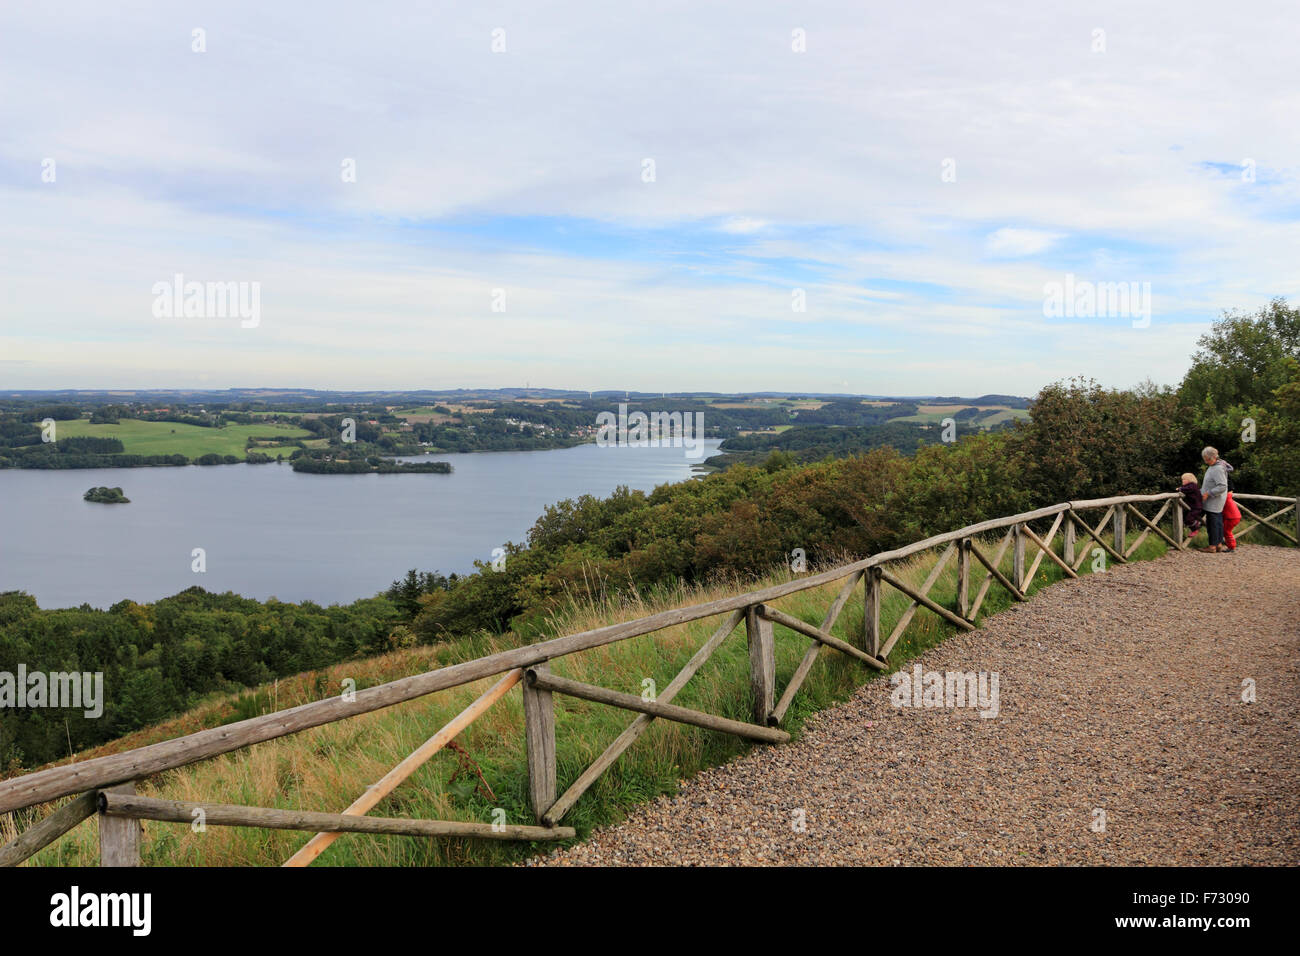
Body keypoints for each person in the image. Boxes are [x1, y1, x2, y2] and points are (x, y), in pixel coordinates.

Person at [1199, 447, 1229, 553]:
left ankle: (1212, 546)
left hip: (1214, 500)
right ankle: (1219, 544)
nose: (1205, 461)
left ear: (1212, 457)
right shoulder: (1215, 466)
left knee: (1213, 524)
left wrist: (1208, 493)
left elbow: (1222, 486)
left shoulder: (1217, 468)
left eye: (1207, 459)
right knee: (1217, 522)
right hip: (1215, 500)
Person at [1220, 459, 1241, 551]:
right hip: (1233, 516)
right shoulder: (1228, 497)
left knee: (1227, 531)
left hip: (1232, 517)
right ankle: (1227, 542)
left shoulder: (1226, 497)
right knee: (1225, 530)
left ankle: (1231, 547)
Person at [1178, 472, 1204, 540]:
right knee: (1186, 519)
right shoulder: (1189, 486)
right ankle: (1196, 526)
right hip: (1192, 507)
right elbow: (1185, 488)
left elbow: (1187, 489)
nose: (1182, 481)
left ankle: (1196, 528)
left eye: (1184, 479)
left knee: (1189, 519)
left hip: (1196, 507)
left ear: (1189, 480)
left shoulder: (1192, 485)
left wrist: (1180, 489)